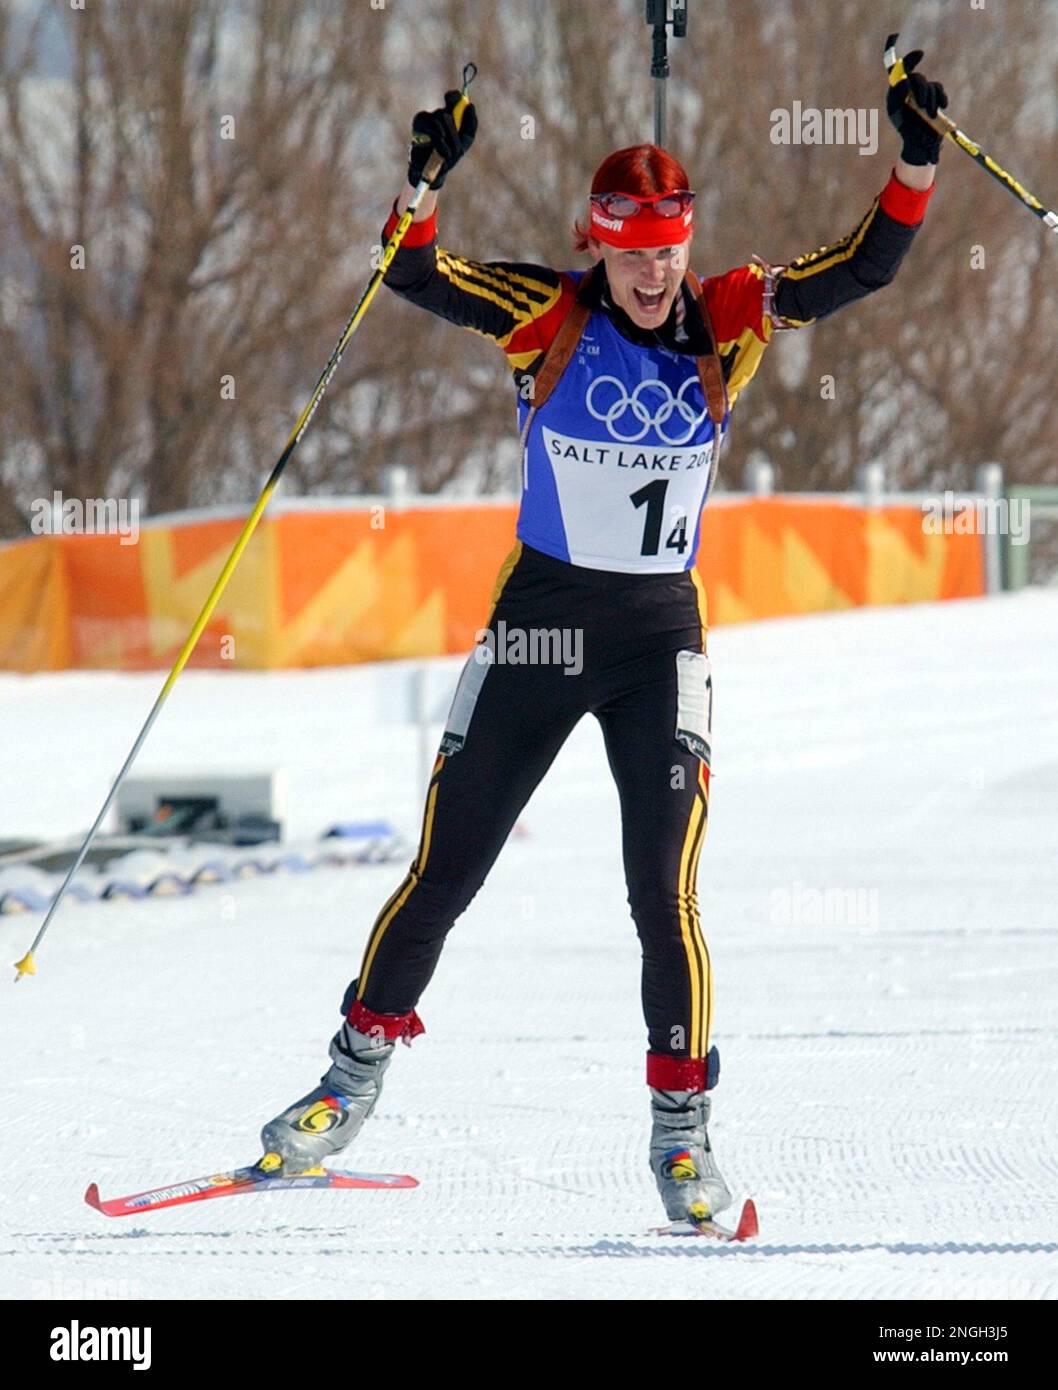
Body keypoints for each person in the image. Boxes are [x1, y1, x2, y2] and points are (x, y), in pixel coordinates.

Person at [259, 48, 947, 1230]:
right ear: (598, 245)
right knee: (446, 865)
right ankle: (343, 1085)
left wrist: (915, 158)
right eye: (630, 253)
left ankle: (681, 1140)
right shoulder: (548, 311)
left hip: (654, 647)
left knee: (662, 893)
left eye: (666, 251)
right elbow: (410, 275)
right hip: (534, 632)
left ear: (686, 242)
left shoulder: (727, 314)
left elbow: (861, 269)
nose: (650, 273)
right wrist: (421, 182)